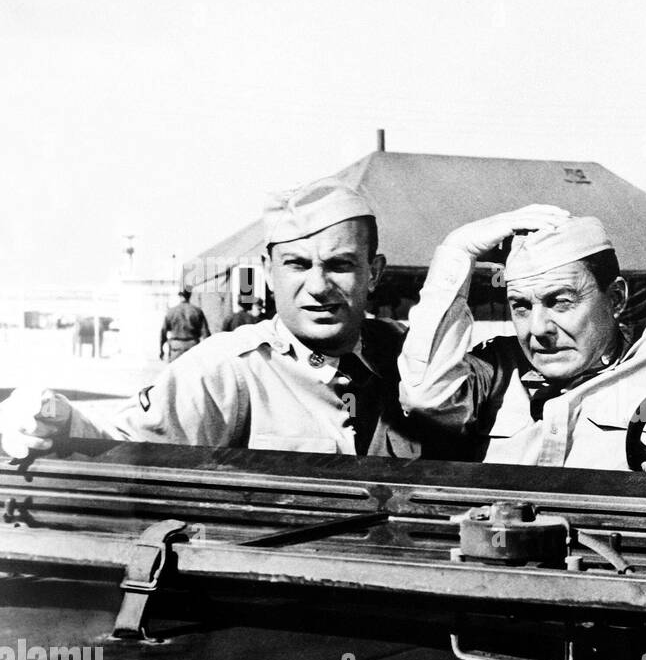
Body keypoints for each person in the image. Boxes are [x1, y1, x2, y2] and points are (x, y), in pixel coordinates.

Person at [0, 179, 433, 459]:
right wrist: (55, 419)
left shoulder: (412, 359)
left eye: (339, 265)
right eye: (298, 265)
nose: (318, 286)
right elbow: (121, 441)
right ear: (269, 272)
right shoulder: (227, 370)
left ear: (373, 273)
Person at [398, 208, 646, 469]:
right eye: (521, 307)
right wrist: (457, 251)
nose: (539, 330)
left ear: (615, 299)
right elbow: (424, 396)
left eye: (560, 303)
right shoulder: (496, 368)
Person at [159, 289, 210, 361]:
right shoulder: (197, 311)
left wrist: (161, 350)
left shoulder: (171, 311)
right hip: (192, 347)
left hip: (176, 348)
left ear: (180, 296)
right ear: (190, 296)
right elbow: (205, 333)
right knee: (192, 371)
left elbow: (163, 332)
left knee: (176, 371)